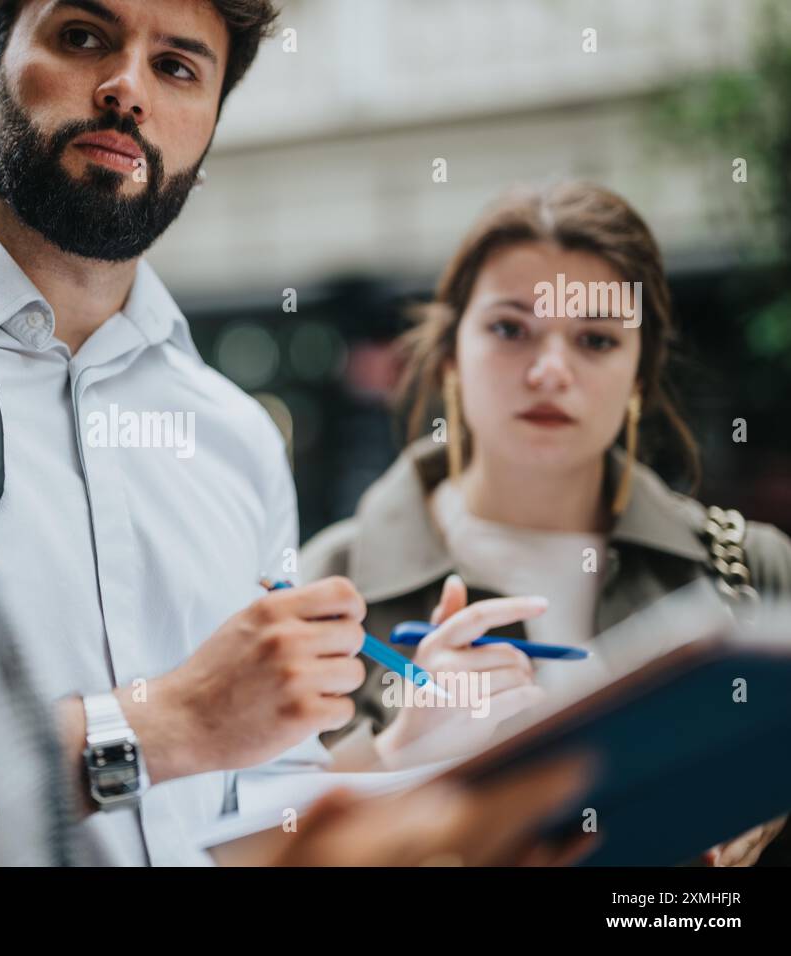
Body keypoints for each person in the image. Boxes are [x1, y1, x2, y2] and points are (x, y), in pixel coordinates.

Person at [0, 0, 404, 865]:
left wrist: (424, 764)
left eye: (178, 67)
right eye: (84, 38)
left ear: (208, 133)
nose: (127, 91)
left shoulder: (235, 437)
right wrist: (169, 722)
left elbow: (250, 815)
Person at [302, 180, 791, 865]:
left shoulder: (758, 569)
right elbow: (271, 840)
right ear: (449, 357)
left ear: (640, 377)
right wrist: (393, 762)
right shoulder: (327, 587)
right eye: (510, 329)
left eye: (595, 338)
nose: (549, 370)